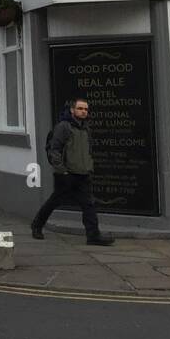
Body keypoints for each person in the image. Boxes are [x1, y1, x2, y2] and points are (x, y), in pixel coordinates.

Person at [32, 96, 115, 246]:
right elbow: (54, 149)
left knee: (88, 205)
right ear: (72, 110)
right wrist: (62, 171)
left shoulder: (85, 128)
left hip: (83, 174)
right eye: (80, 108)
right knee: (55, 201)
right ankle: (37, 225)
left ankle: (93, 235)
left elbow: (87, 150)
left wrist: (89, 168)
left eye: (85, 109)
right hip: (67, 174)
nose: (83, 112)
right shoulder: (63, 127)